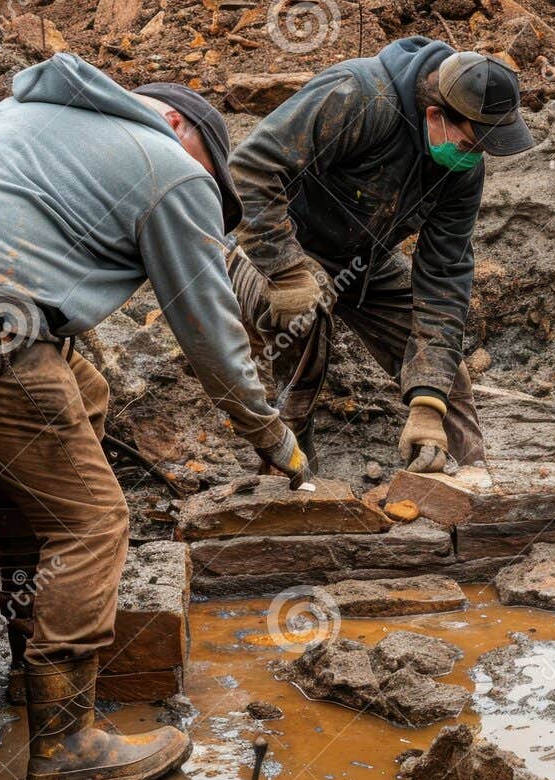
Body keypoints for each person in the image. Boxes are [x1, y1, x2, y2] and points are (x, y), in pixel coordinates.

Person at [0, 53, 307, 780]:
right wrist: (269, 434)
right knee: (94, 522)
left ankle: (36, 638)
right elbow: (210, 336)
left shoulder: (35, 119)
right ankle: (64, 741)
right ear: (176, 124)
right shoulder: (168, 161)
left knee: (83, 389)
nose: (202, 201)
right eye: (209, 180)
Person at [227, 37, 535, 473]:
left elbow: (445, 274)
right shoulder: (359, 96)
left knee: (448, 381)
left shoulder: (461, 171)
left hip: (359, 265)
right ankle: (287, 468)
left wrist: (428, 402)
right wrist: (285, 269)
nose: (475, 158)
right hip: (267, 247)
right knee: (304, 311)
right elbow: (249, 173)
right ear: (435, 115)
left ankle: (472, 493)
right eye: (470, 145)